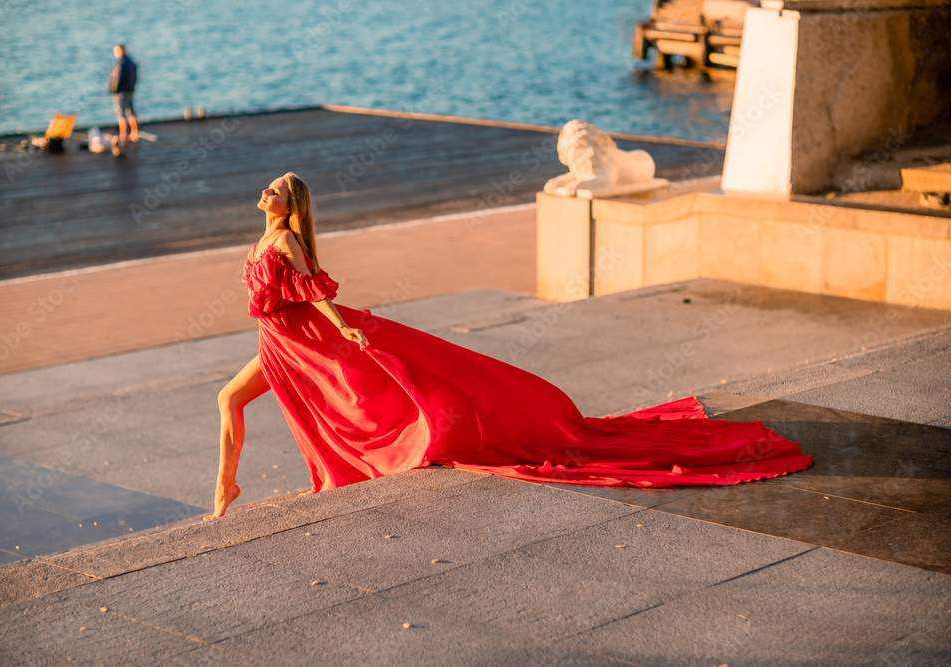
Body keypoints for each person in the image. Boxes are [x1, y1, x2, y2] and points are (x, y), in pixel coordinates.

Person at [205, 173, 813, 519]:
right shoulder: (269, 235)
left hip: (307, 341)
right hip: (283, 343)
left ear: (293, 204)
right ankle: (226, 486)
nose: (269, 191)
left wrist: (345, 330)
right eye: (269, 187)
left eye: (280, 190)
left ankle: (227, 489)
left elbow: (314, 293)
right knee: (228, 400)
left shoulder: (286, 242)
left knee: (259, 398)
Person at [108, 44, 138, 146]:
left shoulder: (121, 64)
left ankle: (123, 136)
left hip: (120, 93)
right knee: (131, 112)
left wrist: (113, 90)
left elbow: (117, 79)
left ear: (120, 51)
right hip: (130, 90)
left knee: (121, 114)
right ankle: (134, 133)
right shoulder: (132, 63)